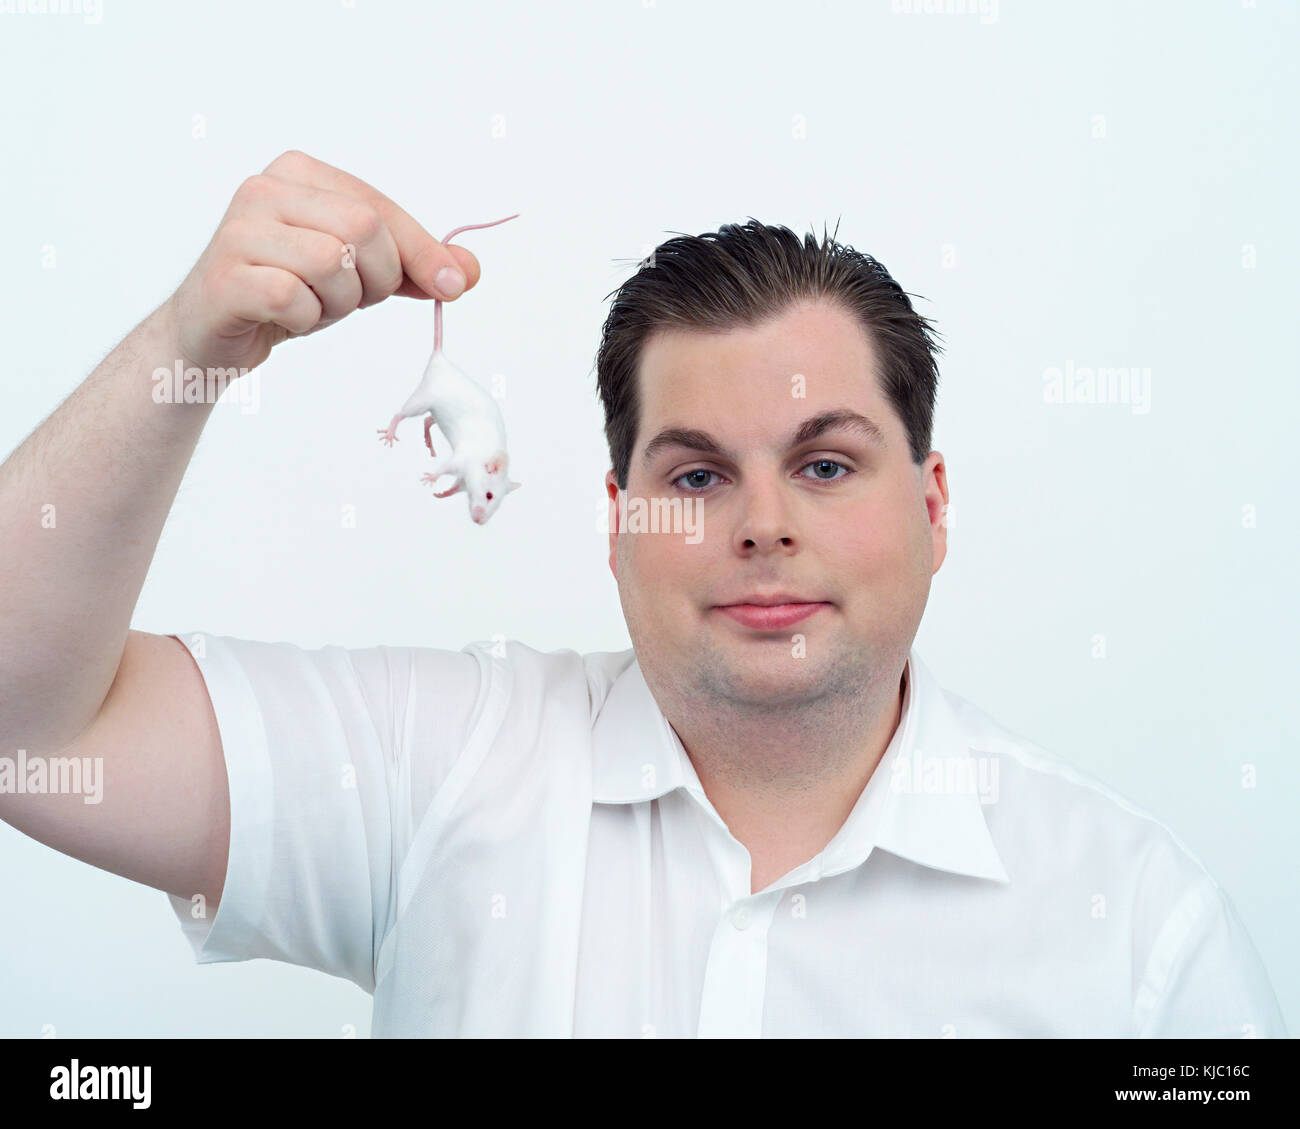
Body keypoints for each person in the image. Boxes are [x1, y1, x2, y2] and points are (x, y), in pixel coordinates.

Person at [0, 150, 1285, 1038]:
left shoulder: (1138, 931)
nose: (764, 525)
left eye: (826, 463)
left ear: (934, 505)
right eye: (697, 473)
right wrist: (191, 346)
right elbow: (27, 737)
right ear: (619, 521)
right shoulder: (438, 766)